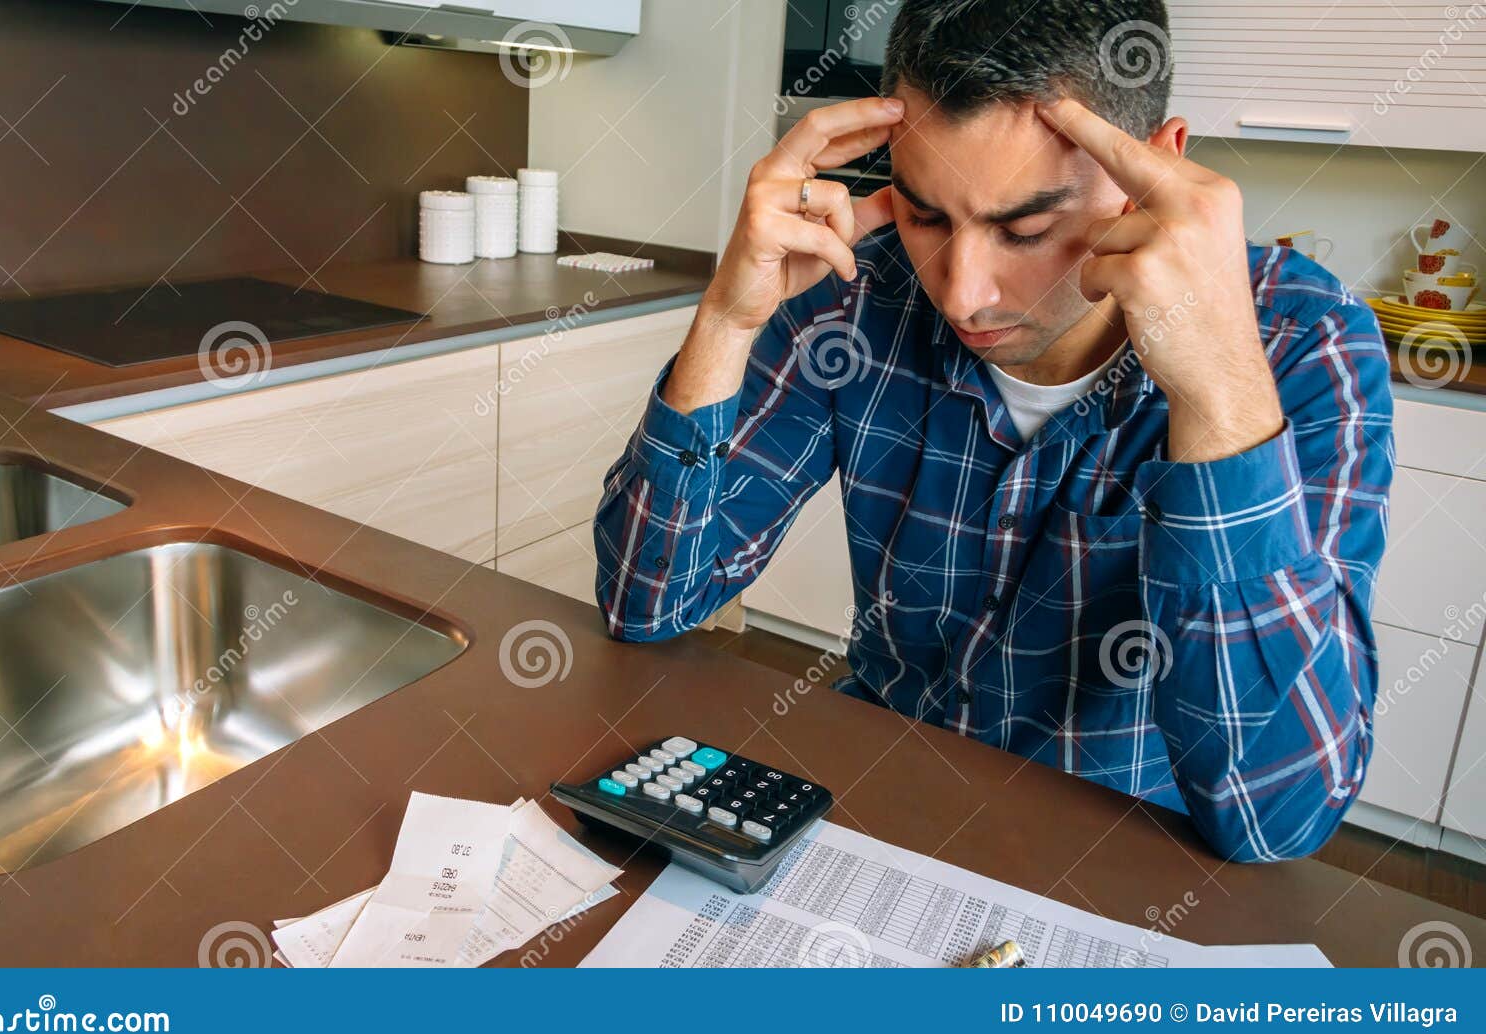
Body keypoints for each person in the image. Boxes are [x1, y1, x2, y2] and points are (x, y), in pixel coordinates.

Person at [593, 0, 1392, 863]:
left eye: (1026, 229)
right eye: (927, 215)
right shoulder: (855, 290)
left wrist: (1219, 401)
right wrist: (725, 318)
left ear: (1155, 167)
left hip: (1118, 852)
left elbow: (1277, 817)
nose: (965, 291)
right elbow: (648, 602)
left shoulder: (1300, 338)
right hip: (878, 799)